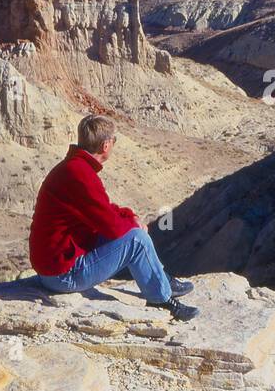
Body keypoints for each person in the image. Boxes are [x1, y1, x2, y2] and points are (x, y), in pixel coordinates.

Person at [29, 114, 198, 320]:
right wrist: (133, 225)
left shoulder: (73, 168)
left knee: (132, 231)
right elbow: (112, 227)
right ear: (106, 145)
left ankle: (162, 279)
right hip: (62, 275)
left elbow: (103, 209)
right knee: (137, 240)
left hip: (55, 265)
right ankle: (162, 299)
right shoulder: (80, 174)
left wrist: (130, 217)